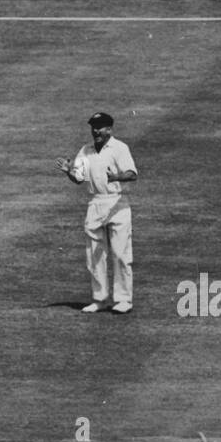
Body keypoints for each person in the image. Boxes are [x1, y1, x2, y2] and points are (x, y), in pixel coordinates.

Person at [55, 112, 137, 314]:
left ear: (109, 129)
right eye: (93, 126)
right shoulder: (86, 150)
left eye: (100, 127)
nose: (95, 131)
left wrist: (116, 176)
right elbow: (79, 178)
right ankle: (99, 299)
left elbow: (132, 174)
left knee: (120, 254)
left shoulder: (119, 148)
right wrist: (68, 172)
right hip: (95, 203)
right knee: (94, 255)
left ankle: (123, 300)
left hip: (117, 202)